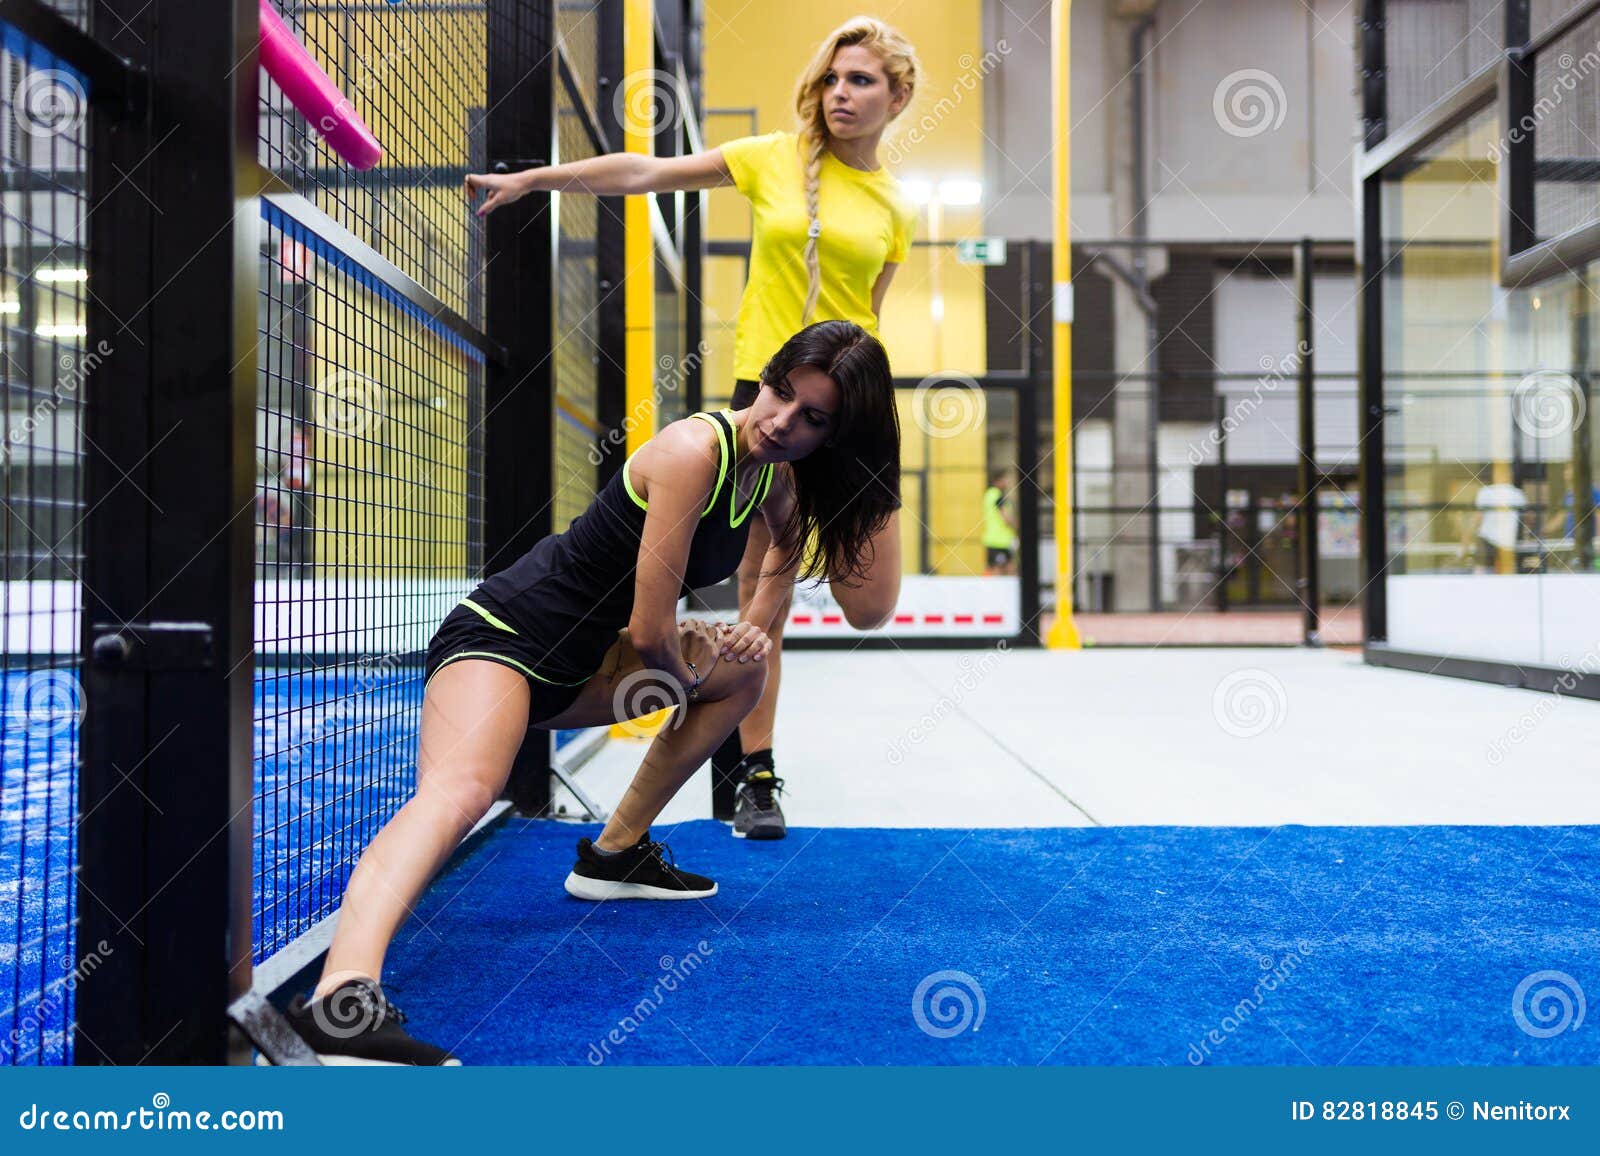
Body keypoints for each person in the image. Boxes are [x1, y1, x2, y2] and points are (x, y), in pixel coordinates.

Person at [272, 321, 902, 1066]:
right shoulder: (693, 451)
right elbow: (648, 636)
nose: (782, 422)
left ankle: (614, 854)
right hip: (503, 641)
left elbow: (783, 560)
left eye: (813, 419)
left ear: (835, 434)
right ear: (763, 379)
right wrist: (687, 673)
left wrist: (753, 633)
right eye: (780, 395)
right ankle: (340, 1005)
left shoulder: (770, 478)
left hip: (576, 672)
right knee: (461, 793)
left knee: (743, 674)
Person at [466, 16, 920, 840]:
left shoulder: (896, 207)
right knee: (759, 606)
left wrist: (870, 442)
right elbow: (646, 170)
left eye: (862, 82)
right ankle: (755, 775)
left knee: (870, 606)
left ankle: (739, 757)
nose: (842, 95)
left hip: (848, 413)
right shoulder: (771, 158)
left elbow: (869, 326)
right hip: (768, 400)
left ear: (899, 96)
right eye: (833, 79)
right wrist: (540, 179)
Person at [982, 469, 1020, 576]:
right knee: (1000, 570)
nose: (1007, 482)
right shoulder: (997, 496)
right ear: (998, 481)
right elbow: (1005, 517)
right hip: (999, 541)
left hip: (996, 540)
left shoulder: (989, 494)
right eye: (1005, 479)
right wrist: (1017, 527)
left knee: (1001, 567)